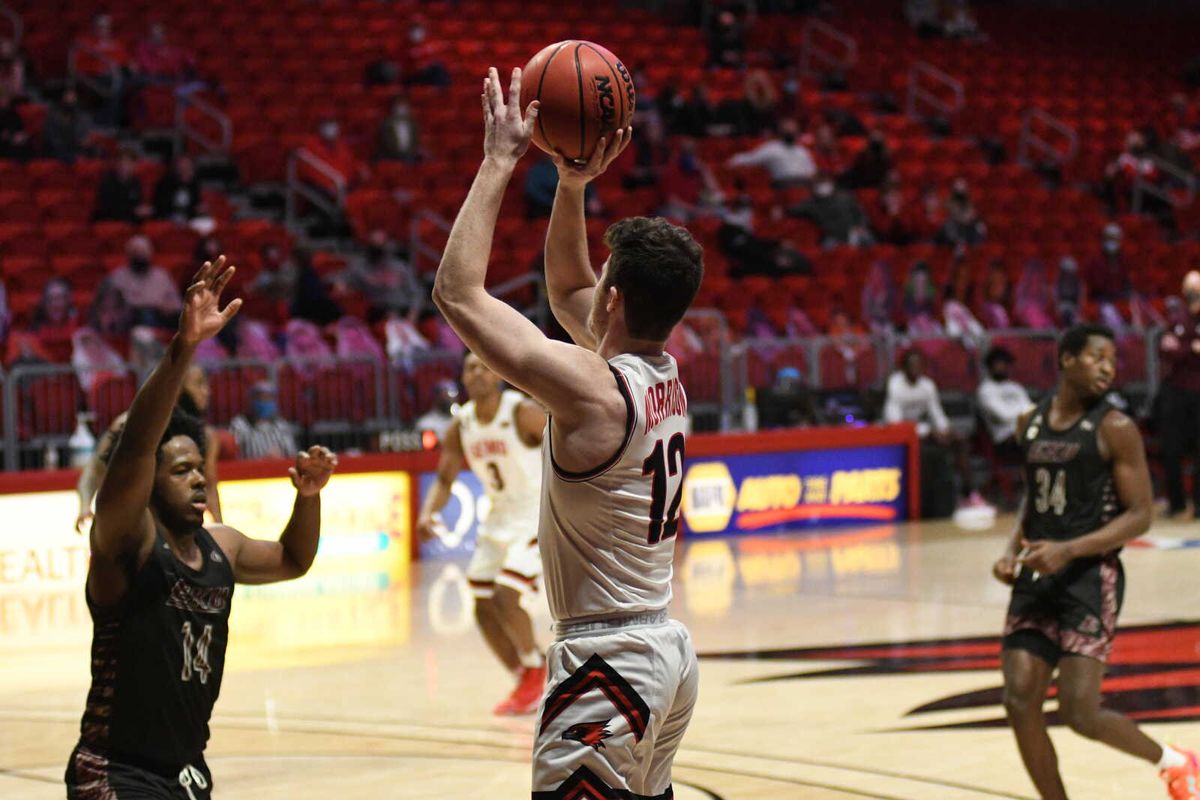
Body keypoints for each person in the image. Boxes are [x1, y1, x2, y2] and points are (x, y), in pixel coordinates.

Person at [432, 68, 701, 799]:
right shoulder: (660, 373)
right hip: (663, 650)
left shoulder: (595, 390)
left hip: (606, 660)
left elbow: (458, 293)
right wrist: (571, 183)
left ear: (614, 300)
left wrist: (498, 162)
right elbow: (567, 291)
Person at [64, 256, 338, 799]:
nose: (196, 482)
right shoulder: (129, 544)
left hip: (187, 772)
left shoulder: (222, 546)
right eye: (180, 472)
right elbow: (138, 446)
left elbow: (292, 560)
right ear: (149, 484)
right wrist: (183, 349)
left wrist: (307, 500)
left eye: (198, 469)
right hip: (116, 772)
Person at [992, 324, 1200, 800]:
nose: (1108, 367)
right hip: (1036, 575)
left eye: (1112, 360)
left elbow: (1141, 516)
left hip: (1089, 578)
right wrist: (1009, 552)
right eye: (1097, 357)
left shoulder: (1115, 428)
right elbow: (1036, 503)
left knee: (1080, 712)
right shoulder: (1030, 423)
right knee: (1019, 700)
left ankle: (1173, 762)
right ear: (1067, 360)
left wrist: (1068, 549)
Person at [418, 353, 548, 715]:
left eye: (484, 366)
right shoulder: (461, 426)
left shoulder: (522, 411)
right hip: (498, 520)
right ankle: (526, 675)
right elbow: (444, 479)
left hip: (535, 515)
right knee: (482, 606)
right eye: (470, 367)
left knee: (508, 595)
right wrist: (428, 513)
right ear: (462, 377)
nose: (476, 373)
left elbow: (566, 444)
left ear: (499, 374)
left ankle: (537, 670)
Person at [76, 363, 223, 532]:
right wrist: (85, 507)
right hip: (133, 526)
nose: (206, 391)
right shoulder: (128, 424)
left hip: (180, 529)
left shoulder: (207, 436)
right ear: (176, 387)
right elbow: (93, 472)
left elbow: (210, 486)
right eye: (198, 384)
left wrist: (220, 527)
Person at [884, 349, 989, 509]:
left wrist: (946, 430)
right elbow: (895, 422)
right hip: (899, 435)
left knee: (960, 441)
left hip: (923, 431)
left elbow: (937, 413)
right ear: (904, 368)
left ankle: (969, 494)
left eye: (919, 366)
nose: (916, 369)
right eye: (912, 365)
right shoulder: (895, 385)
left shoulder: (927, 385)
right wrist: (929, 432)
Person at [1156, 271, 1200, 517]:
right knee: (1171, 449)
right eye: (1190, 287)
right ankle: (1176, 504)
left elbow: (1176, 348)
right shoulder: (1176, 319)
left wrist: (1182, 347)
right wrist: (1192, 348)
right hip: (1175, 393)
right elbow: (1166, 350)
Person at [109, 235, 183, 328]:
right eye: (136, 252)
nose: (140, 256)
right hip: (130, 320)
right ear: (128, 255)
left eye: (143, 252)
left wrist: (167, 307)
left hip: (160, 318)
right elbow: (112, 306)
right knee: (143, 314)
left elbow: (177, 304)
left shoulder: (162, 276)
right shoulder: (118, 277)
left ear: (150, 254)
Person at [727, 118, 817, 188]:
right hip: (784, 185)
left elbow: (812, 172)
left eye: (793, 129)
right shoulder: (771, 148)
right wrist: (735, 160)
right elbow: (751, 158)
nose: (791, 131)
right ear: (781, 130)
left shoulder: (801, 150)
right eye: (788, 128)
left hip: (804, 184)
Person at [977, 347, 1032, 458]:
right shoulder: (985, 390)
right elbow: (1003, 416)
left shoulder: (1016, 387)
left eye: (1006, 363)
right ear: (990, 366)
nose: (1003, 367)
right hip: (1004, 441)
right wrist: (1022, 412)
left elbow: (1032, 411)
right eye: (998, 364)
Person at [230, 381, 298, 460]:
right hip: (250, 470)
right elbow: (233, 457)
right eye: (261, 398)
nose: (265, 401)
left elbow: (292, 455)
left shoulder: (281, 425)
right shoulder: (239, 425)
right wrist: (263, 460)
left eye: (269, 398)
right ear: (252, 399)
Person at [94, 148, 152, 222]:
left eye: (129, 163)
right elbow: (108, 208)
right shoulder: (107, 182)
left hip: (132, 220)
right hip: (112, 220)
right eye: (122, 162)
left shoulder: (135, 181)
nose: (124, 166)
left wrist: (143, 210)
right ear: (116, 164)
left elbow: (137, 202)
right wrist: (133, 211)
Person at [43, 86, 96, 163]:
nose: (71, 98)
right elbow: (53, 139)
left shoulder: (80, 115)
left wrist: (83, 141)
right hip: (58, 149)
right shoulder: (54, 115)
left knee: (97, 151)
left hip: (76, 147)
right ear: (63, 97)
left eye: (73, 96)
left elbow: (83, 136)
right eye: (68, 95)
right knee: (70, 156)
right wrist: (76, 142)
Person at [153, 155, 202, 222]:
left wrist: (199, 209)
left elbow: (196, 205)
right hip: (169, 218)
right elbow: (162, 206)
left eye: (188, 166)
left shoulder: (193, 185)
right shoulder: (166, 183)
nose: (185, 168)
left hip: (189, 219)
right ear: (176, 168)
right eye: (182, 166)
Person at [376, 96, 423, 162]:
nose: (402, 108)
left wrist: (410, 152)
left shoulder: (413, 124)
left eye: (404, 105)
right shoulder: (386, 124)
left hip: (410, 155)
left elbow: (415, 140)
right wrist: (398, 154)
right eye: (399, 105)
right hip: (391, 156)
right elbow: (386, 142)